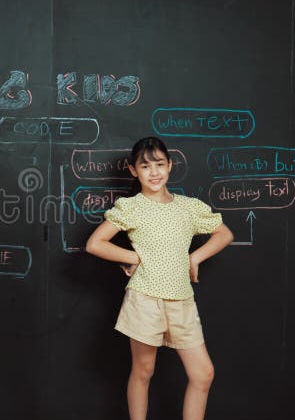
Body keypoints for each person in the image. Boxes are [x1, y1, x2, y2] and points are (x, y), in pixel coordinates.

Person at [85, 137, 233, 420]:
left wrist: (195, 257)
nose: (153, 172)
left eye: (159, 164)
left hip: (182, 301)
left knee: (203, 374)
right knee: (143, 371)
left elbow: (224, 234)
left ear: (170, 166)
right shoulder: (132, 207)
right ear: (133, 171)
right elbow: (95, 244)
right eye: (145, 166)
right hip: (145, 299)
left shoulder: (188, 207)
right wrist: (135, 258)